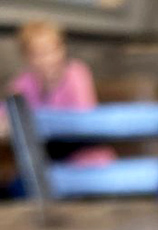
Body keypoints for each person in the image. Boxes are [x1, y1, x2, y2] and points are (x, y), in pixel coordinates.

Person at [4, 20, 114, 165]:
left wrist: (36, 123)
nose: (47, 59)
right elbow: (5, 117)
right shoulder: (22, 83)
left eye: (52, 50)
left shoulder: (77, 73)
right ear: (26, 57)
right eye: (38, 54)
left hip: (85, 160)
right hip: (45, 161)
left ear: (63, 49)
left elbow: (82, 119)